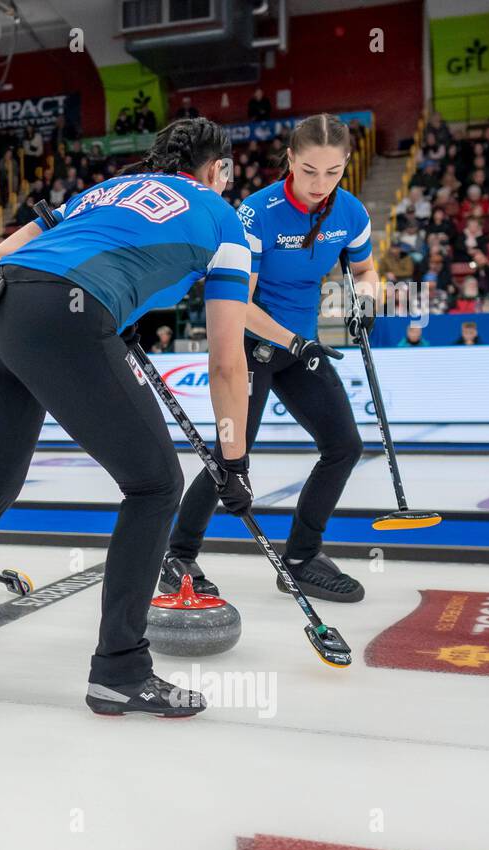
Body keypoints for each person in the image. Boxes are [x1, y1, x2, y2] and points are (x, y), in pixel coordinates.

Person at [0, 118, 254, 719]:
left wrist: (102, 304)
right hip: (61, 314)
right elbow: (227, 362)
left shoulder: (100, 191)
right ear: (219, 171)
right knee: (157, 486)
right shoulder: (225, 220)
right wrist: (233, 461)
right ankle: (121, 672)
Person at [163, 114, 376, 605]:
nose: (320, 184)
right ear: (289, 161)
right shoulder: (257, 214)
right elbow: (239, 306)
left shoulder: (351, 213)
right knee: (231, 453)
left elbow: (364, 268)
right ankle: (178, 554)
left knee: (344, 447)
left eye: (333, 173)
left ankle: (301, 558)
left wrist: (364, 301)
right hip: (252, 348)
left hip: (301, 347)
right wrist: (294, 342)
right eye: (309, 170)